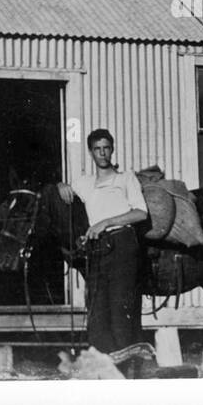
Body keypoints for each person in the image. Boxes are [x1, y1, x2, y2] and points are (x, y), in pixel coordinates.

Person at [58, 129, 149, 356]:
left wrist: (106, 222)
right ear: (91, 152)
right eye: (97, 149)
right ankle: (105, 369)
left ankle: (128, 369)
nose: (102, 153)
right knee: (97, 313)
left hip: (122, 245)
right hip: (97, 250)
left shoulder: (125, 178)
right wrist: (61, 185)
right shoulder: (83, 183)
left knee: (120, 310)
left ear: (112, 149)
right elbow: (66, 196)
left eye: (106, 148)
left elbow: (141, 213)